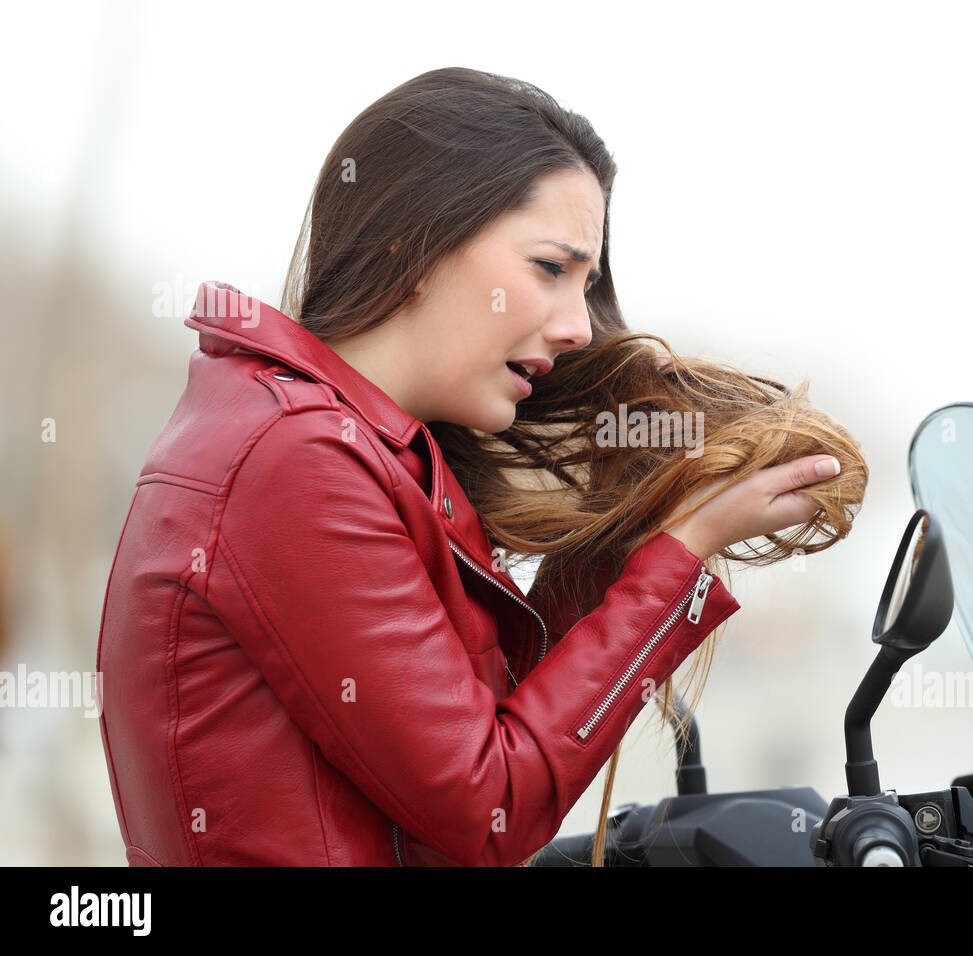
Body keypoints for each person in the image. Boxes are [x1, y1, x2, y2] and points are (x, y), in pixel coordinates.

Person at [96, 67, 864, 867]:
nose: (577, 325)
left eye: (588, 283)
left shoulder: (336, 442)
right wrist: (683, 551)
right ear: (417, 244)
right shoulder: (297, 460)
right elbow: (488, 807)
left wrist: (632, 540)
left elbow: (496, 730)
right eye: (548, 268)